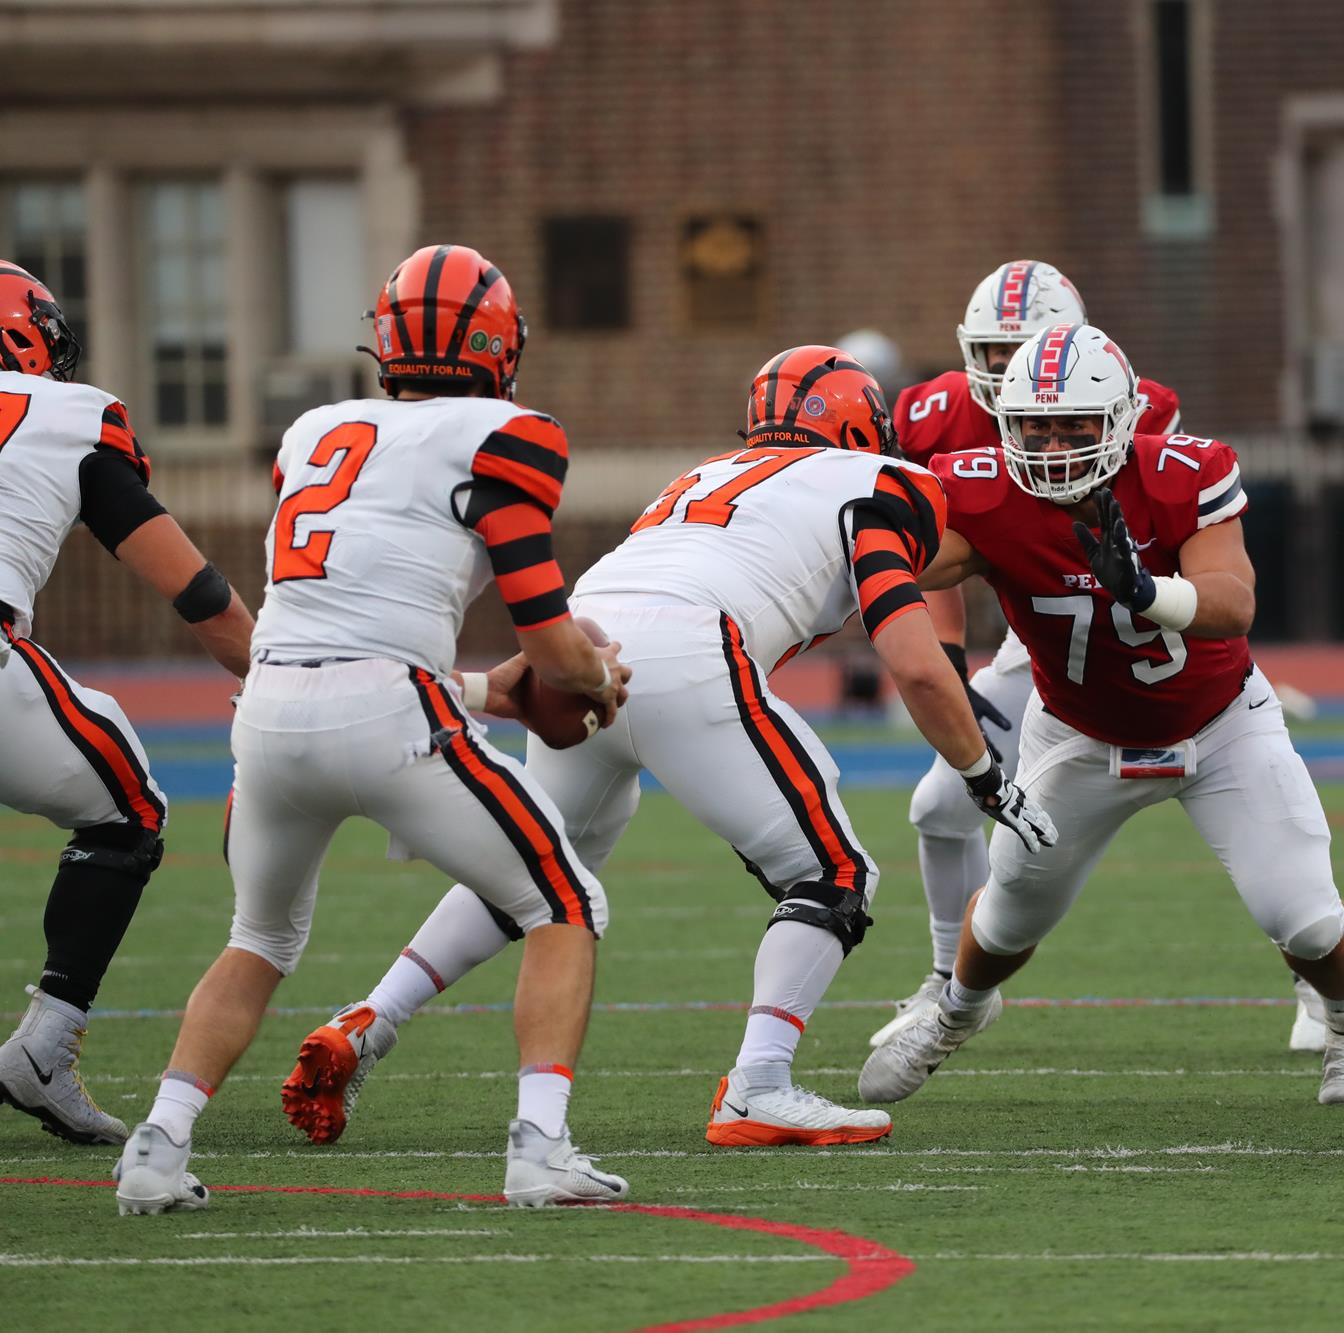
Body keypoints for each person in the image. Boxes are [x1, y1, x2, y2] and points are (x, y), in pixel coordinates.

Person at [284, 346, 1055, 1150]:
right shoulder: (878, 482)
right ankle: (758, 1082)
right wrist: (986, 777)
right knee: (833, 872)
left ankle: (370, 1017)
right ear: (864, 426)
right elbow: (915, 661)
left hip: (589, 639)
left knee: (541, 868)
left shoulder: (698, 478)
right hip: (693, 649)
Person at [115, 244, 630, 1214]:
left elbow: (342, 621)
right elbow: (548, 636)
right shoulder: (509, 433)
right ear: (498, 344)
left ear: (385, 341)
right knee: (564, 904)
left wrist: (486, 693)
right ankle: (539, 1146)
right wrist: (592, 675)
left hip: (267, 711)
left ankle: (157, 1144)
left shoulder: (313, 429)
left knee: (257, 937)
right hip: (391, 713)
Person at [860, 322, 1344, 1108]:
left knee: (1306, 919)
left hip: (1219, 723)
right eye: (1034, 425)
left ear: (1122, 419)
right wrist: (854, 533)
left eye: (1075, 424)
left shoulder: (1184, 471)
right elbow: (899, 560)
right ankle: (957, 1012)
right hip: (1077, 729)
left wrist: (1146, 590)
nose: (1054, 444)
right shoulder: (981, 487)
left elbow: (1234, 601)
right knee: (1005, 918)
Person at [875, 261, 1262, 1051]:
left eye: (1023, 348)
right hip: (1033, 623)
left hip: (1107, 615)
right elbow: (936, 555)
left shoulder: (1134, 404)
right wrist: (945, 652)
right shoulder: (931, 414)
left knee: (1266, 840)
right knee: (939, 806)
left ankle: (1310, 977)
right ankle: (953, 979)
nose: (1004, 369)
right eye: (990, 350)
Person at [0, 262, 254, 1146]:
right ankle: (45, 1044)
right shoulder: (66, 415)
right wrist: (277, 678)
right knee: (130, 807)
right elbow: (198, 593)